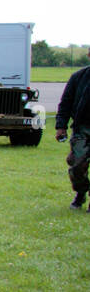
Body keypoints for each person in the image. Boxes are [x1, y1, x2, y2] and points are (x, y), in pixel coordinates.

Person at [55, 48, 90, 210]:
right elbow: (66, 103)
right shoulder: (79, 77)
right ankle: (81, 193)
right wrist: (61, 126)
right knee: (76, 165)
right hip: (82, 128)